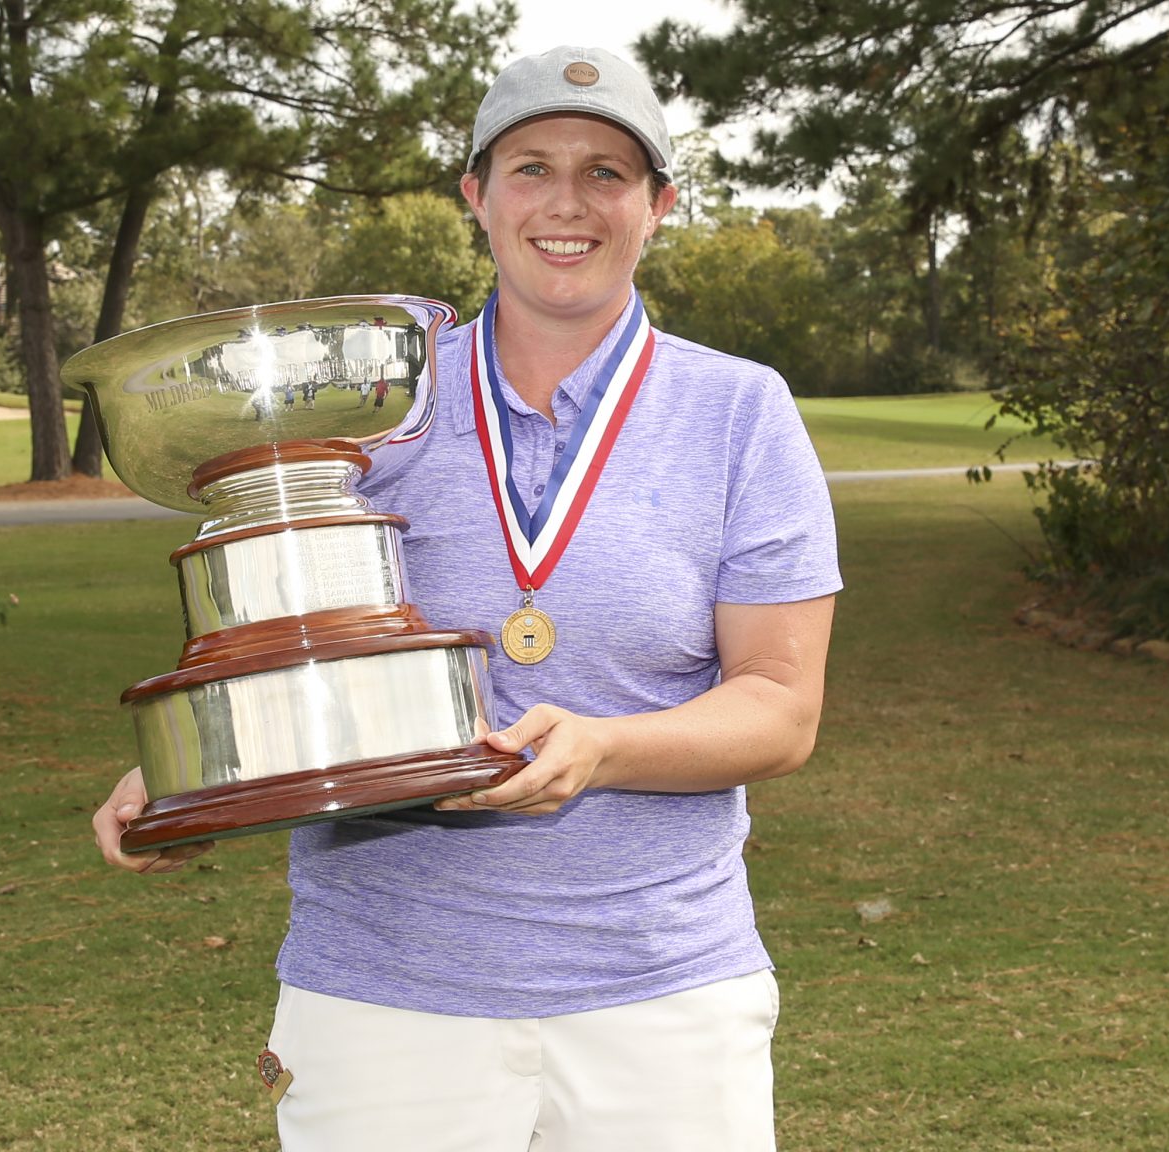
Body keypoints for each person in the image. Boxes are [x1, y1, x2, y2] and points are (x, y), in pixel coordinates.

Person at [94, 44, 841, 1152]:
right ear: (476, 194)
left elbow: (780, 704)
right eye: (531, 166)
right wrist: (206, 761)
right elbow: (301, 636)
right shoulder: (372, 398)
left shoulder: (740, 411)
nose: (567, 203)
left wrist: (602, 747)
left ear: (660, 205)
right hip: (384, 996)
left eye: (608, 173)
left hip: (662, 994)